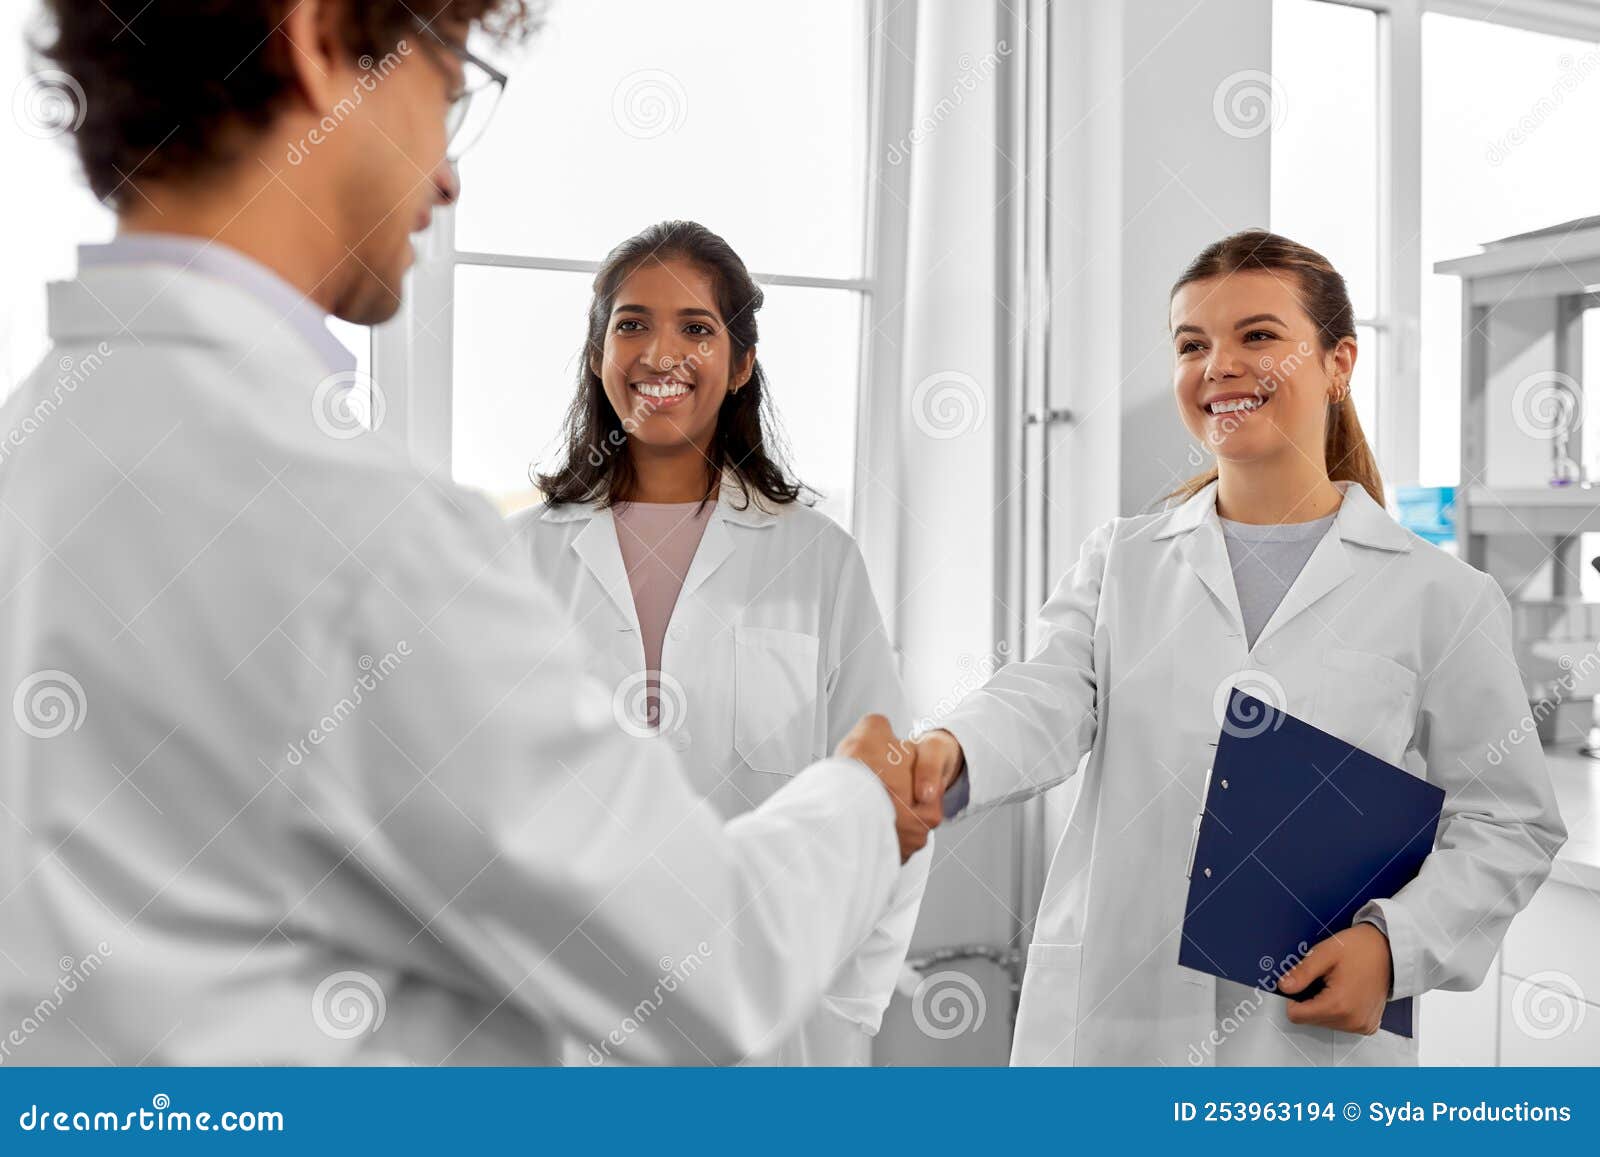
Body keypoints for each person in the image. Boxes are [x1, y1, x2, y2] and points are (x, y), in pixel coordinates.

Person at [0, 0, 939, 1066]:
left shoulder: (32, 447)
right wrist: (863, 795)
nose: (446, 176)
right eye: (447, 95)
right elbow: (718, 956)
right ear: (318, 47)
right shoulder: (358, 530)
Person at [907, 230, 1566, 1066]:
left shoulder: (1438, 595)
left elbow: (1511, 820)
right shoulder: (1124, 560)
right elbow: (1045, 695)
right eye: (1192, 344)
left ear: (1338, 363)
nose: (1218, 364)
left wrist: (1394, 947)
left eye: (1258, 336)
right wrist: (947, 749)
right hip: (1116, 1024)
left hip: (1303, 1046)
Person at [512, 220, 929, 1065]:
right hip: (568, 1020)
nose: (659, 351)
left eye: (696, 328)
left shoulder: (817, 559)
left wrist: (843, 1012)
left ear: (739, 364)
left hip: (775, 1032)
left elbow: (896, 790)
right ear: (598, 352)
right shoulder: (518, 559)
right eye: (631, 323)